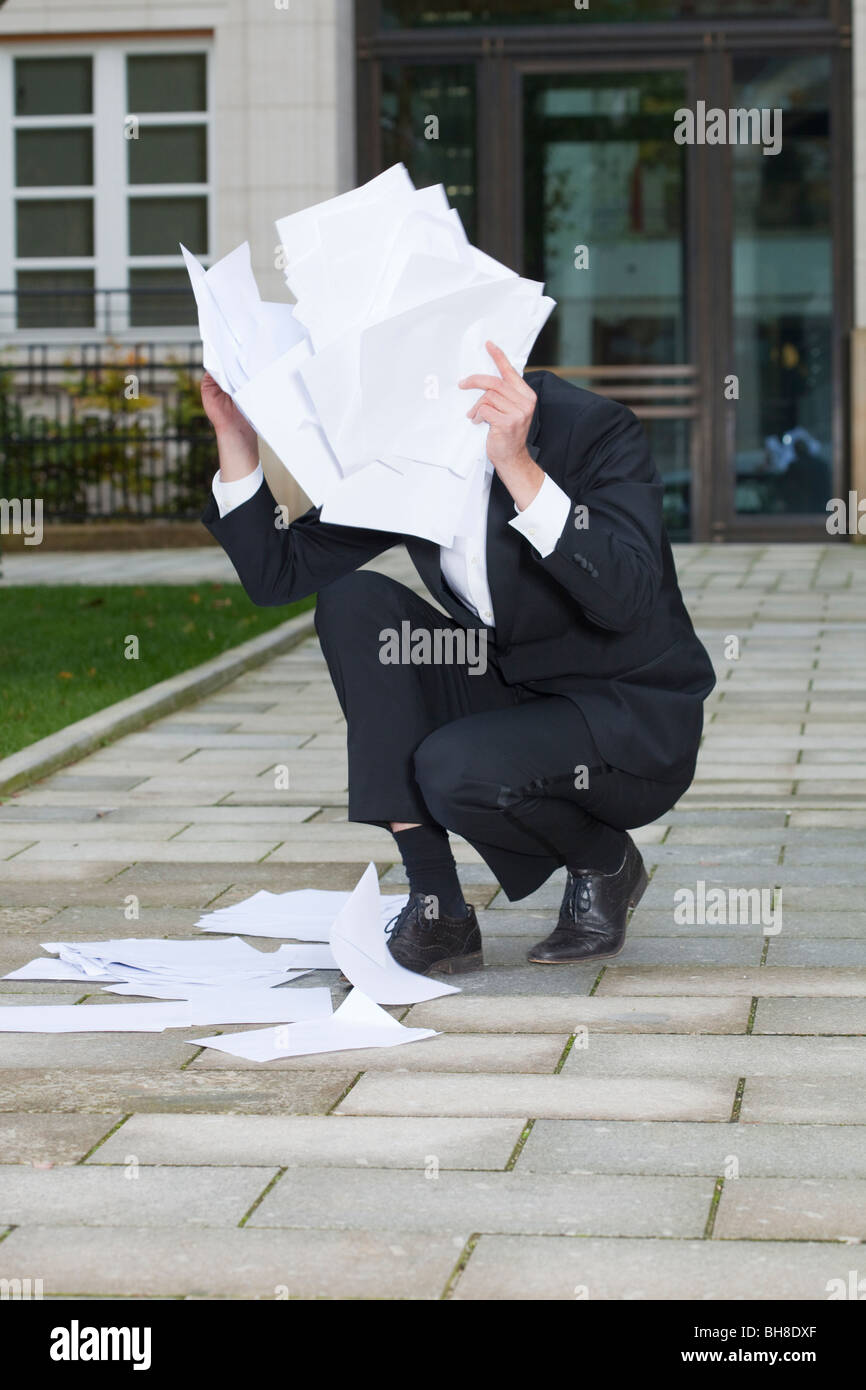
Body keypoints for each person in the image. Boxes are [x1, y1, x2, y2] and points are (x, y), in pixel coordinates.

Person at [199, 342, 715, 976]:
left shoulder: (594, 427)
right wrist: (238, 438)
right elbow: (277, 574)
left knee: (452, 768)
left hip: (625, 715)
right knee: (353, 601)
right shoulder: (407, 450)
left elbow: (625, 597)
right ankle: (438, 905)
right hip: (514, 688)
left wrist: (519, 466)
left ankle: (604, 860)